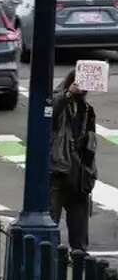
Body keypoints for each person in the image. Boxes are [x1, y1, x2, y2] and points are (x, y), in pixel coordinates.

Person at [50, 69, 97, 250]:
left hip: (79, 176)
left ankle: (79, 264)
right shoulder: (58, 99)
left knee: (79, 230)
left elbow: (89, 145)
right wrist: (68, 94)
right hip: (58, 172)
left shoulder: (86, 109)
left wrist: (90, 173)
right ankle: (51, 261)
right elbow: (50, 111)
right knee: (50, 222)